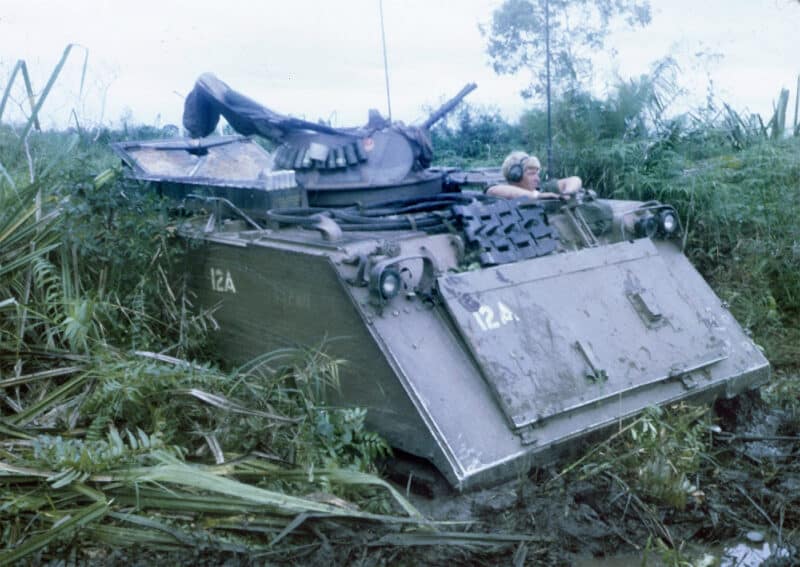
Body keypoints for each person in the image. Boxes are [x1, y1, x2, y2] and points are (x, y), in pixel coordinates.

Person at [487, 151, 582, 200]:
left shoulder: (541, 189)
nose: (537, 179)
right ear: (515, 175)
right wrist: (537, 196)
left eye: (537, 173)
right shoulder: (503, 191)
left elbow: (575, 180)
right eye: (531, 174)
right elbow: (492, 190)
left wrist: (568, 192)